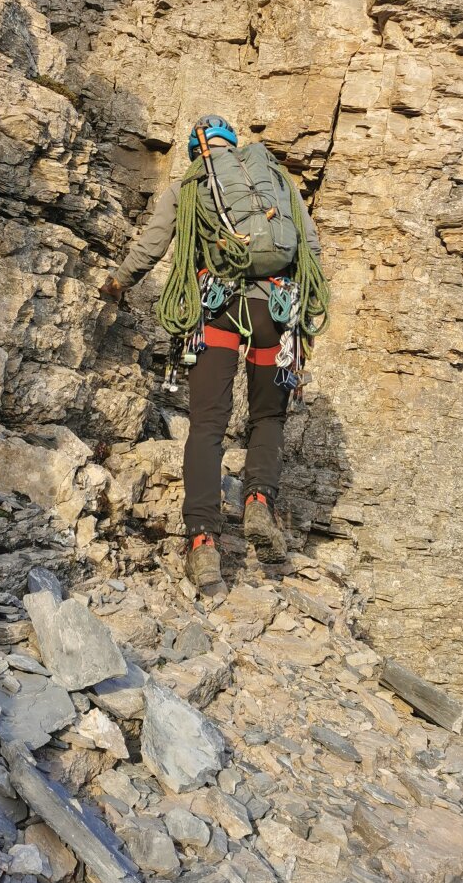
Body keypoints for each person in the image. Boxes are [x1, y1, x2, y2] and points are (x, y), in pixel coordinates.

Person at [99, 115, 327, 591]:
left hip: (216, 310)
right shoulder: (276, 180)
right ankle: (259, 502)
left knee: (207, 425)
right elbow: (310, 246)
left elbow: (155, 242)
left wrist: (119, 280)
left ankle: (203, 542)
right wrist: (299, 323)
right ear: (233, 147)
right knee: (268, 418)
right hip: (275, 312)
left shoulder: (192, 184)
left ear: (196, 152)